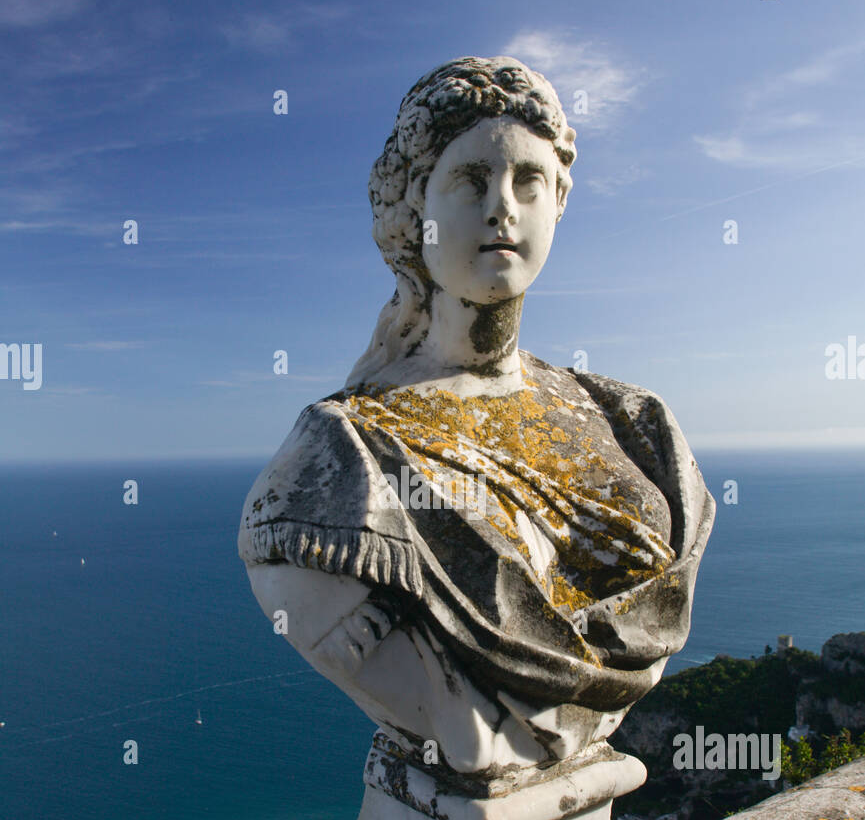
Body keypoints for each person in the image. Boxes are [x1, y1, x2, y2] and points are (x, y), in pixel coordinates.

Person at [239, 56, 714, 778]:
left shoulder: (635, 422)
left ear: (558, 201)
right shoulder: (336, 460)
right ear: (414, 211)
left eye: (528, 181)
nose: (502, 207)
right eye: (469, 181)